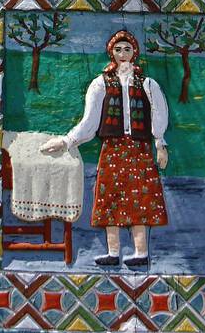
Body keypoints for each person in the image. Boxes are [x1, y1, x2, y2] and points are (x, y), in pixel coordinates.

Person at [41, 30, 168, 270]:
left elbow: (159, 114)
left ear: (134, 53)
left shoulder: (148, 84)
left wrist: (160, 143)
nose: (123, 54)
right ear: (111, 52)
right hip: (112, 148)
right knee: (111, 198)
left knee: (139, 199)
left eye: (127, 49)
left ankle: (141, 253)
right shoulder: (100, 84)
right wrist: (68, 140)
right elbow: (90, 122)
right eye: (118, 49)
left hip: (139, 148)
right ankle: (113, 252)